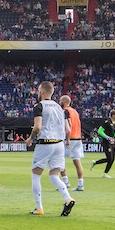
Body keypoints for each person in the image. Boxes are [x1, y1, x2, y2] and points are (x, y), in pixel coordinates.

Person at [27, 82, 74, 216]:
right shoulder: (60, 108)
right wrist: (67, 141)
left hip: (45, 143)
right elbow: (68, 129)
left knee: (36, 174)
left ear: (42, 91)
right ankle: (68, 198)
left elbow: (37, 127)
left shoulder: (39, 106)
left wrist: (30, 138)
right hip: (59, 144)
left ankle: (39, 207)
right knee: (54, 175)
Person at [59, 96, 85, 191]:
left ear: (64, 102)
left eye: (60, 101)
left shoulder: (65, 111)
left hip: (69, 138)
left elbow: (69, 125)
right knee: (77, 162)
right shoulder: (75, 111)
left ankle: (65, 183)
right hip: (78, 138)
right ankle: (80, 185)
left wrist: (68, 139)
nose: (59, 102)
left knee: (59, 160)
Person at [90, 109, 115, 178]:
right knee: (109, 158)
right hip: (106, 142)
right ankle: (104, 173)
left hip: (112, 142)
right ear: (113, 115)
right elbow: (100, 131)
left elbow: (114, 133)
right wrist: (108, 137)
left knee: (112, 159)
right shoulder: (107, 122)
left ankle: (101, 169)